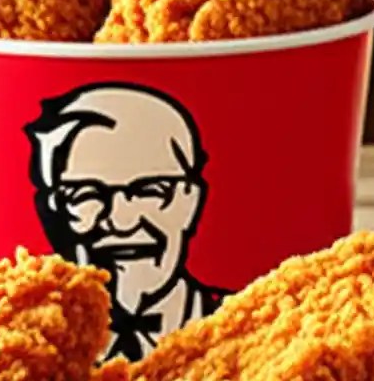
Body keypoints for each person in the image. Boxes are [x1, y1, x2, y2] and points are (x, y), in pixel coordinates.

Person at [26, 82, 230, 361]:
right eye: (87, 195)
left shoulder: (240, 324)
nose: (122, 221)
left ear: (190, 201)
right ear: (54, 210)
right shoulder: (26, 347)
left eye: (151, 191)